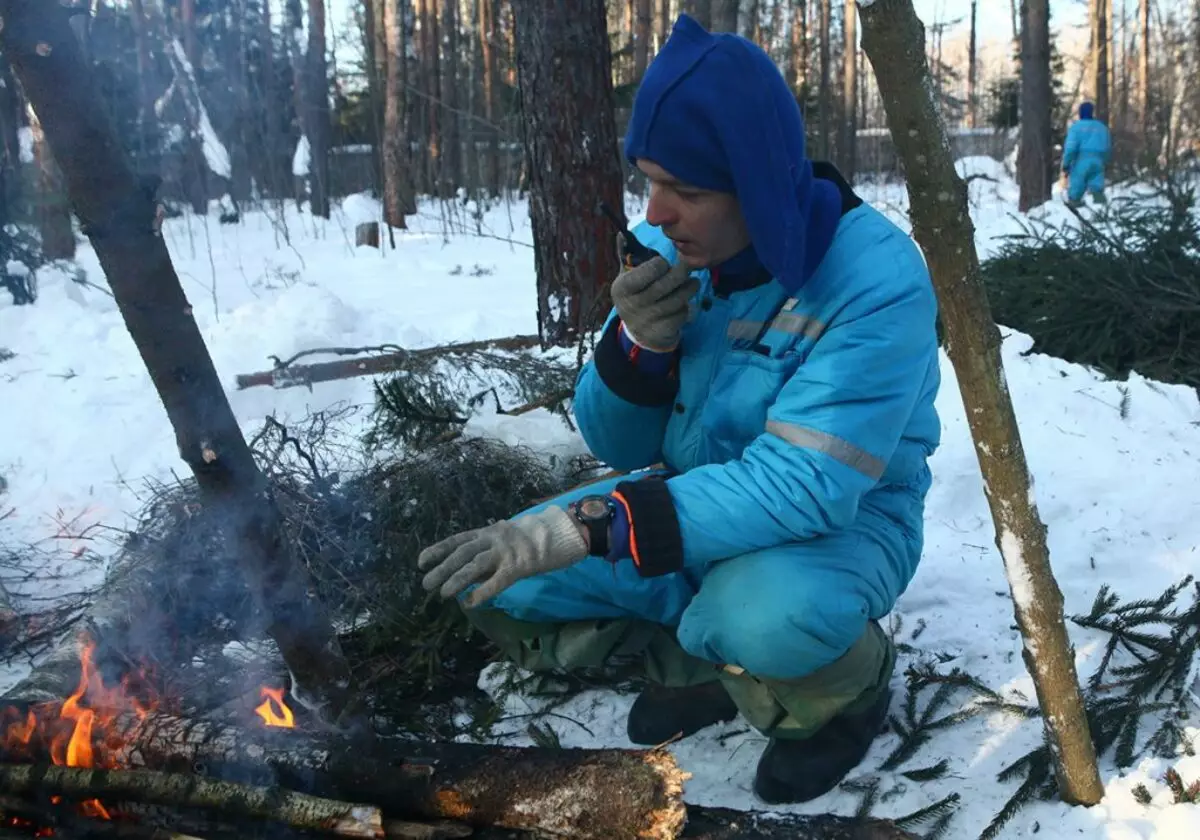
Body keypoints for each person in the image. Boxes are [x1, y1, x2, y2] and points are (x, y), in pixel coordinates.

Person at [417, 14, 941, 804]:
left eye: (684, 190)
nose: (655, 213)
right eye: (650, 181)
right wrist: (640, 346)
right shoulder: (672, 247)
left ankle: (845, 694)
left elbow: (805, 487)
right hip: (690, 502)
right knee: (505, 582)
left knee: (761, 615)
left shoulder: (876, 280)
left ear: (758, 185)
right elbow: (615, 441)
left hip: (844, 525)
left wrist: (597, 526)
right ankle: (702, 666)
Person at [1062, 101, 1111, 206]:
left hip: (1081, 161)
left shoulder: (1076, 128)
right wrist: (1105, 161)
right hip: (1098, 161)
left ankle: (1075, 208)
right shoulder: (1102, 128)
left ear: (1080, 113)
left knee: (1076, 189)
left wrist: (1066, 164)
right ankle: (1102, 214)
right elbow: (1107, 147)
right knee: (1097, 189)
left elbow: (1070, 148)